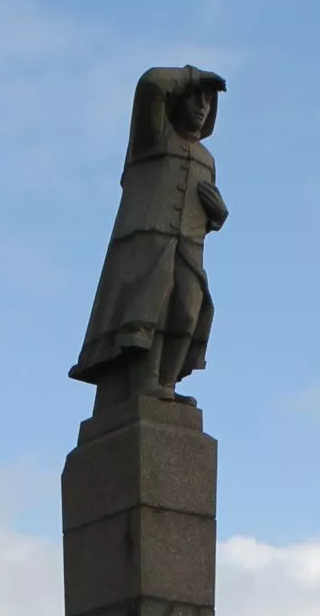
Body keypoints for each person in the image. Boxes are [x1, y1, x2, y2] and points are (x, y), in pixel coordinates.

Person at [70, 65, 228, 408]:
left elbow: (203, 213)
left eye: (208, 101)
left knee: (187, 312)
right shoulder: (153, 136)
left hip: (189, 247)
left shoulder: (207, 159)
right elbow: (152, 85)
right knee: (147, 312)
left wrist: (218, 214)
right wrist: (190, 75)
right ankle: (147, 382)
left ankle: (167, 382)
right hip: (148, 240)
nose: (202, 107)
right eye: (195, 98)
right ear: (178, 99)